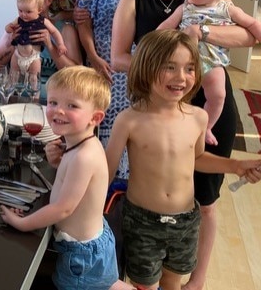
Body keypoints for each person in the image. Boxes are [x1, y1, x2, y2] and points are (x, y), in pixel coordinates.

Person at [109, 0, 256, 290]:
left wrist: (201, 32)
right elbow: (118, 57)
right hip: (159, 103)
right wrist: (163, 69)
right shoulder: (134, 0)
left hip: (209, 104)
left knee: (205, 199)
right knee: (156, 182)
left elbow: (245, 35)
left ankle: (198, 278)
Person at [106, 29, 261, 290]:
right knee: (144, 285)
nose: (181, 77)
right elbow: (106, 171)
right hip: (142, 223)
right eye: (170, 67)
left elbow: (197, 158)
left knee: (172, 282)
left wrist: (236, 166)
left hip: (185, 221)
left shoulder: (198, 117)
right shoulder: (129, 120)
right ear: (145, 68)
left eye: (190, 68)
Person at [1, 66, 133, 290]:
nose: (59, 111)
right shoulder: (78, 144)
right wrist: (58, 164)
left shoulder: (84, 156)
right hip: (90, 244)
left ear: (95, 117)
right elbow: (75, 186)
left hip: (81, 256)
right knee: (105, 284)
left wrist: (22, 223)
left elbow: (63, 209)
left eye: (72, 105)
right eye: (53, 102)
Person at [157, 0, 261, 146]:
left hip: (212, 64)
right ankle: (175, 127)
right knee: (178, 98)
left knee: (218, 95)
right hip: (183, 63)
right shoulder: (185, 8)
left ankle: (207, 127)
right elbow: (164, 27)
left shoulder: (228, 10)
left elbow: (252, 24)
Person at [76, 0, 150, 180]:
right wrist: (94, 57)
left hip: (142, 62)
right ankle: (107, 184)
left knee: (142, 120)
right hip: (106, 63)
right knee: (108, 122)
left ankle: (139, 182)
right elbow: (83, 24)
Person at [0, 0, 77, 103]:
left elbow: (76, 76)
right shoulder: (16, 26)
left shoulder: (64, 29)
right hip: (14, 96)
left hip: (49, 100)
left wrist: (50, 45)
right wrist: (13, 44)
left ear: (48, 1)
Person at [5, 0, 66, 76]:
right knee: (13, 76)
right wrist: (9, 28)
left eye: (28, 12)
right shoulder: (18, 20)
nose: (23, 15)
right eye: (20, 10)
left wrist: (61, 44)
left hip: (34, 57)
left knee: (34, 78)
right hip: (17, 55)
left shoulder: (43, 21)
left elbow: (54, 32)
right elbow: (8, 28)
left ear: (39, 10)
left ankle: (34, 84)